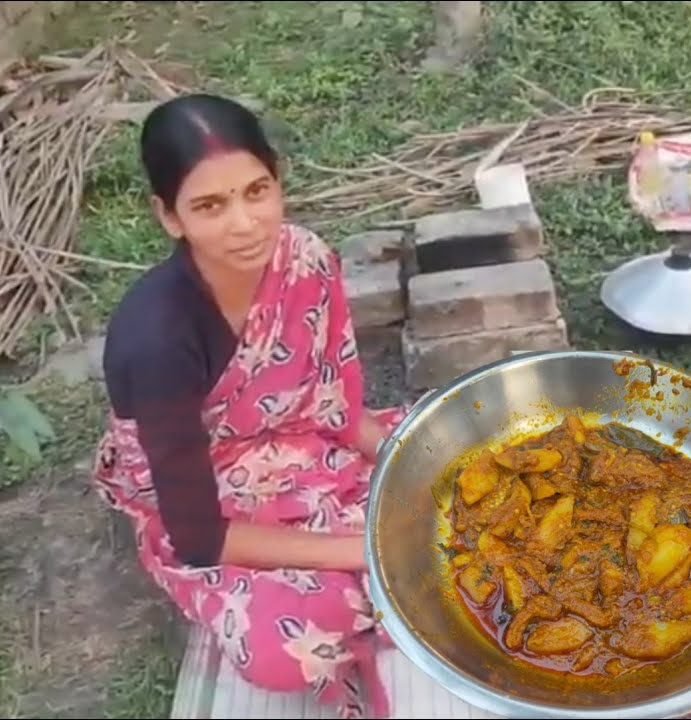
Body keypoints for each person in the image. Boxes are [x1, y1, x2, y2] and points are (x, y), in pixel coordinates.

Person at [91, 94, 405, 719]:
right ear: (169, 216)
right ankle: (378, 580)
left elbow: (336, 406)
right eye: (210, 205)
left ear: (278, 181)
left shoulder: (306, 260)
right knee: (285, 649)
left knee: (467, 478)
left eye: (256, 192)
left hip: (305, 447)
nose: (244, 223)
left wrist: (407, 460)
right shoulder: (154, 340)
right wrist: (364, 550)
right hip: (203, 495)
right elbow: (199, 536)